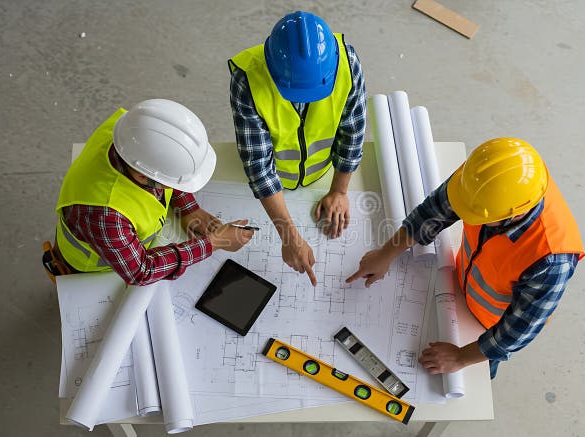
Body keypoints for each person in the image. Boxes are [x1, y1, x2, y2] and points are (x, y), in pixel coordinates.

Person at [346, 138, 585, 378]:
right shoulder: (486, 177)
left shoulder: (552, 260)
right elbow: (434, 211)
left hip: (487, 324)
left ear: (512, 215)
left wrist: (461, 357)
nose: (465, 215)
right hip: (462, 285)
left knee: (475, 382)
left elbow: (519, 329)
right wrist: (385, 254)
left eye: (478, 215)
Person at [42, 99, 254, 285]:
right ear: (144, 177)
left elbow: (161, 168)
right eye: (173, 183)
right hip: (92, 273)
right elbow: (142, 271)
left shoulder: (133, 133)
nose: (177, 188)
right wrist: (215, 242)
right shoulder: (105, 213)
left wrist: (187, 207)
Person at [228, 11, 367, 286]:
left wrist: (339, 190)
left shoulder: (347, 65)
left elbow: (353, 132)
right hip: (278, 180)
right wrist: (289, 236)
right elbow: (259, 167)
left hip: (322, 177)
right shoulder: (248, 80)